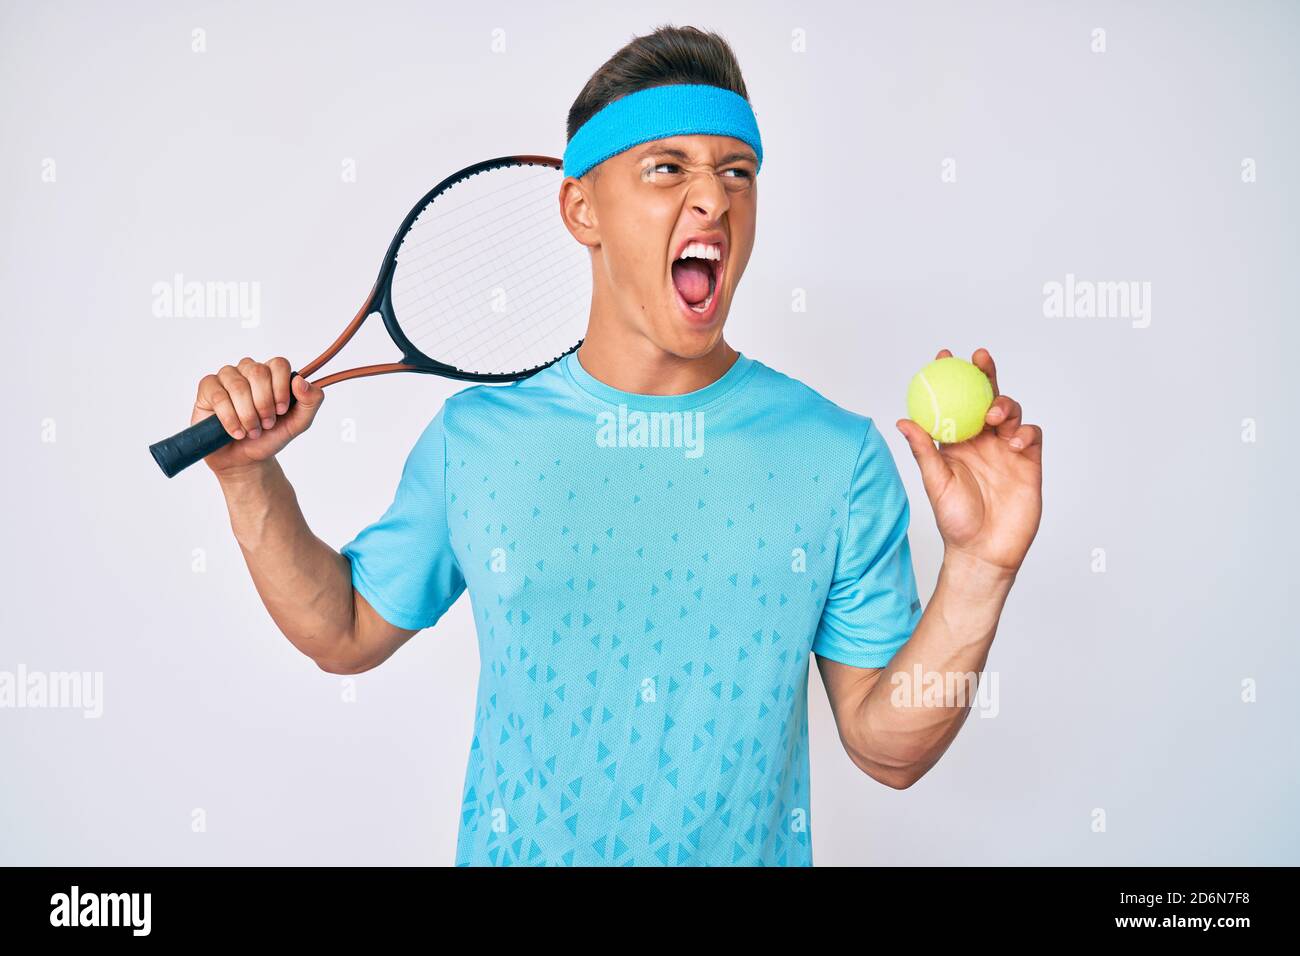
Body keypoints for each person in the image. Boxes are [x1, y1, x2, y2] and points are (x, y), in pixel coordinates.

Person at [190, 25, 1042, 866]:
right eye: (667, 168)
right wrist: (247, 480)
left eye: (736, 172)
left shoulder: (839, 455)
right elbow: (342, 628)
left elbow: (889, 748)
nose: (713, 198)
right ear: (581, 209)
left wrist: (980, 567)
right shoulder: (477, 441)